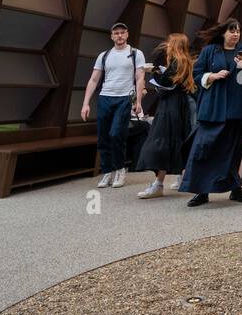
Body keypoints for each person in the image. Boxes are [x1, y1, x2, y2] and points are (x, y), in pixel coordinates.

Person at [180, 18, 242, 207]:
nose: (235, 34)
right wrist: (212, 76)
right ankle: (201, 190)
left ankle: (236, 188)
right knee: (205, 147)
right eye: (232, 30)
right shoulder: (209, 51)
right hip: (213, 107)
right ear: (223, 33)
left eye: (238, 30)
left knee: (234, 150)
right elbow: (197, 75)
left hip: (237, 108)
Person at [81, 22, 146, 189]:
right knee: (103, 136)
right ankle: (107, 170)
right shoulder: (104, 55)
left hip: (124, 98)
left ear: (127, 34)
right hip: (105, 97)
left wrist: (138, 101)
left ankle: (119, 168)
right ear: (111, 36)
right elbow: (94, 80)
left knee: (116, 133)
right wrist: (85, 103)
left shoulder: (135, 54)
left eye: (122, 32)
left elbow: (140, 78)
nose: (119, 36)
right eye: (116, 33)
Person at [135, 33, 198, 198]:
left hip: (170, 107)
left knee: (160, 141)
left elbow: (165, 82)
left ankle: (158, 184)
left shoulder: (178, 62)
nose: (167, 46)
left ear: (174, 45)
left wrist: (154, 71)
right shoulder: (185, 62)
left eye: (170, 43)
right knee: (176, 141)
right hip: (179, 106)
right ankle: (177, 177)